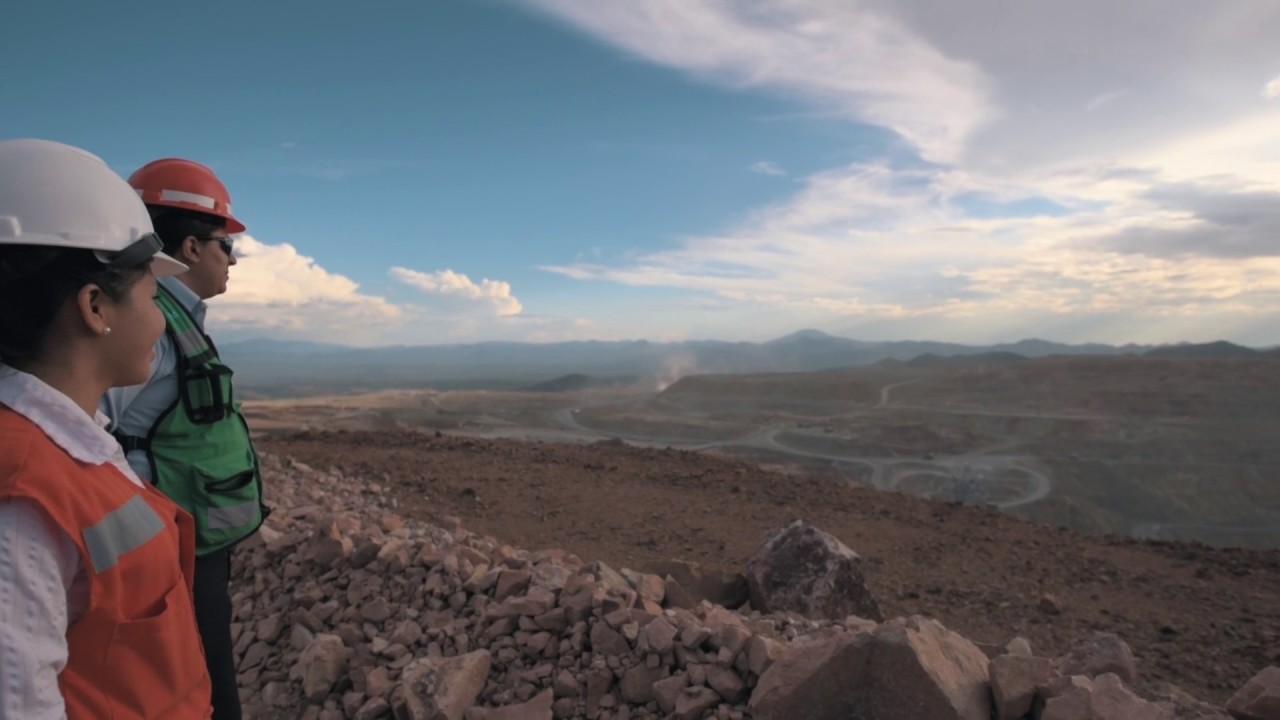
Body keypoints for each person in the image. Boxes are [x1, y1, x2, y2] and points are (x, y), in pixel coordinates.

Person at [0, 138, 213, 718]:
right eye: (150, 294)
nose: (157, 318)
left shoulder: (68, 445)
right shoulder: (20, 499)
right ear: (95, 308)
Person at [103, 157, 267, 720]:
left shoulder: (174, 317)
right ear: (191, 249)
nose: (233, 262)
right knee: (201, 685)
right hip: (164, 549)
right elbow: (87, 433)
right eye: (228, 247)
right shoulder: (148, 325)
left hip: (186, 541)